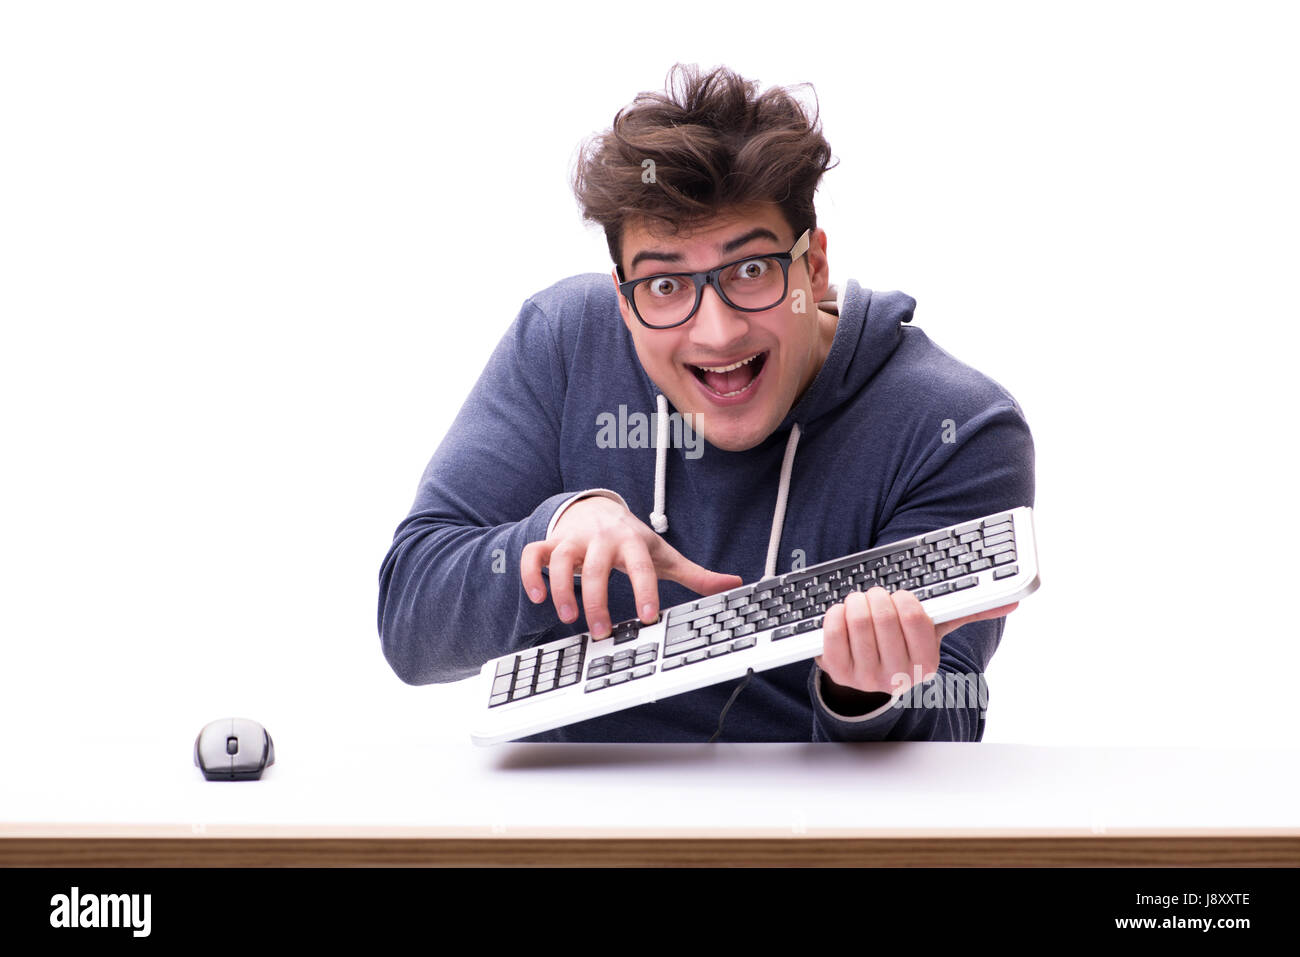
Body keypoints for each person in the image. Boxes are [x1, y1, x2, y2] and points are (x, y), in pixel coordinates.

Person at [377, 64, 1035, 742]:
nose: (717, 332)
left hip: (805, 836)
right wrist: (557, 531)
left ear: (813, 268)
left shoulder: (954, 428)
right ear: (623, 300)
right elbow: (409, 624)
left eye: (751, 272)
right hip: (566, 833)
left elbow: (947, 741)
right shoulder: (564, 343)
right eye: (664, 286)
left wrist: (864, 693)